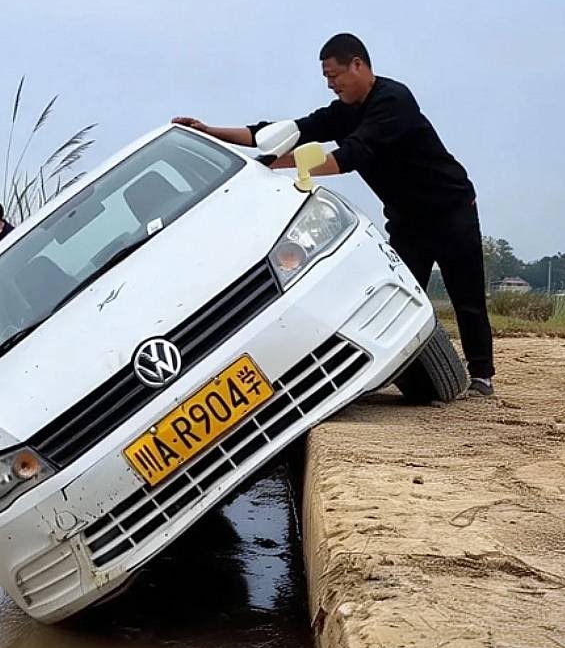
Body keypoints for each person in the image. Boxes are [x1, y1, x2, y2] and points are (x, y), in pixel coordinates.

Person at [172, 32, 495, 396]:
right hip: (406, 219)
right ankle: (395, 372)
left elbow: (353, 155)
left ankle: (482, 376)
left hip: (449, 208)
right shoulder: (343, 112)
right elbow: (288, 133)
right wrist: (212, 132)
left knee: (465, 295)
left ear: (357, 64)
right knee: (403, 296)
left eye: (334, 76)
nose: (331, 85)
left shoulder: (393, 100)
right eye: (326, 79)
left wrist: (285, 167)